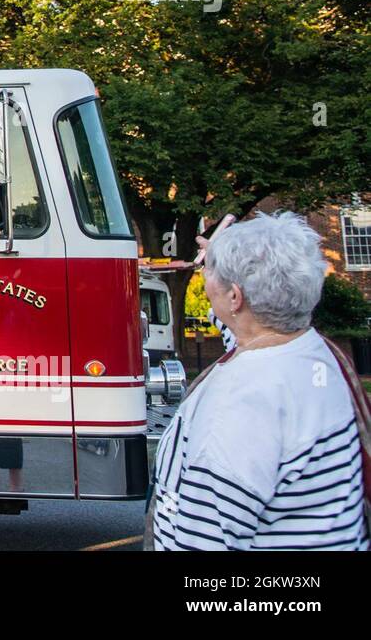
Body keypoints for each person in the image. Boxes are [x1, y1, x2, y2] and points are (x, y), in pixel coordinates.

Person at [149, 212, 369, 550]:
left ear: (235, 297)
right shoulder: (313, 353)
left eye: (213, 278)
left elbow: (205, 542)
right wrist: (220, 264)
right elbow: (244, 325)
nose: (206, 282)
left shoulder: (240, 406)